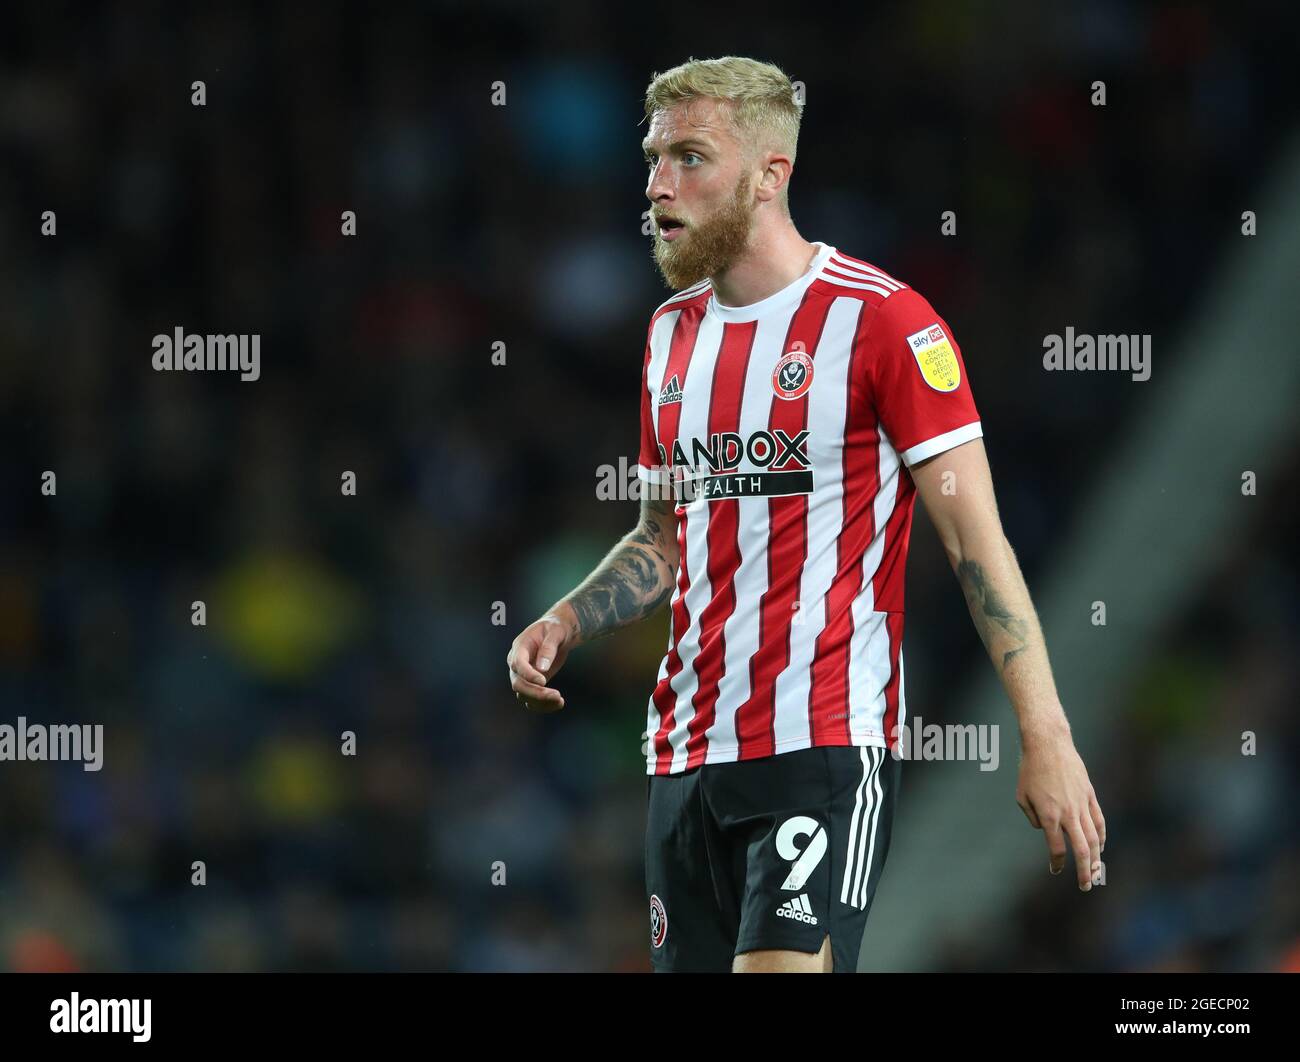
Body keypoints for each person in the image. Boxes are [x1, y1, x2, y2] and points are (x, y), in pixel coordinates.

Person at [507, 56, 1105, 973]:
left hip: (821, 742)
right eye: (653, 160)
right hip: (682, 753)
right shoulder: (672, 336)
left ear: (769, 175)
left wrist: (1047, 733)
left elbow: (974, 543)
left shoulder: (886, 325)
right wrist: (570, 616)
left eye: (690, 158)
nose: (658, 185)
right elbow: (661, 536)